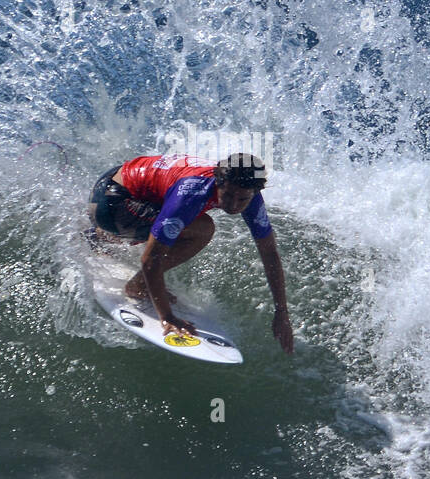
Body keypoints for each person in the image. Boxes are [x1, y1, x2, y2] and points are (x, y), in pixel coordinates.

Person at [86, 152, 294, 354]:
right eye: (228, 195)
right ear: (219, 181)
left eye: (242, 200)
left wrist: (281, 312)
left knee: (176, 223)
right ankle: (136, 284)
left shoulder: (249, 193)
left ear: (254, 192)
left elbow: (269, 253)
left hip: (126, 184)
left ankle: (98, 236)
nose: (233, 205)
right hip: (111, 201)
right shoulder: (192, 192)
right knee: (202, 229)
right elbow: (150, 260)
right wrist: (166, 316)